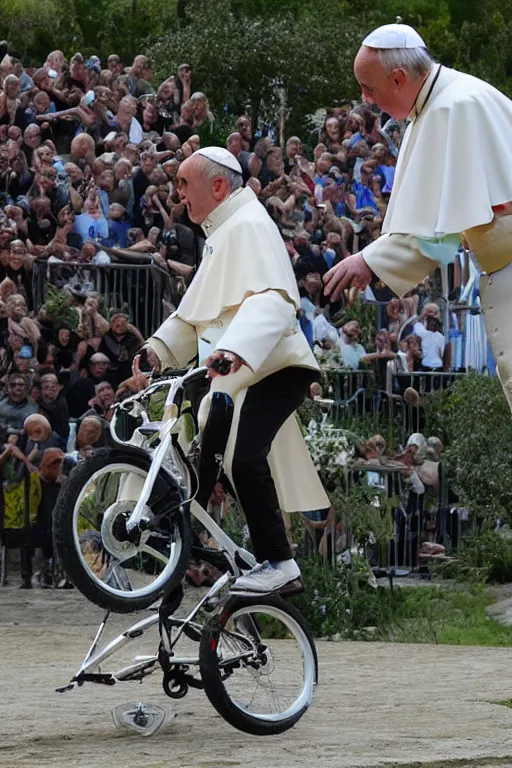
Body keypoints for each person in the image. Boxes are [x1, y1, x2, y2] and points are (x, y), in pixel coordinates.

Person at [139, 147, 329, 593]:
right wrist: (157, 351)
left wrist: (235, 349)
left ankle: (279, 563)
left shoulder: (250, 223)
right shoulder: (223, 231)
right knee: (201, 454)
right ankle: (188, 548)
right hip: (236, 370)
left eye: (184, 183)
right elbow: (198, 314)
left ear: (219, 185)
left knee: (243, 457)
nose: (178, 194)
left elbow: (274, 300)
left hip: (273, 366)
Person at [324, 22, 512, 411]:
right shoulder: (438, 105)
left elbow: (436, 228)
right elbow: (448, 225)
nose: (365, 99)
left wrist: (368, 260)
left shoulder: (452, 108)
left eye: (369, 88)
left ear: (398, 78)